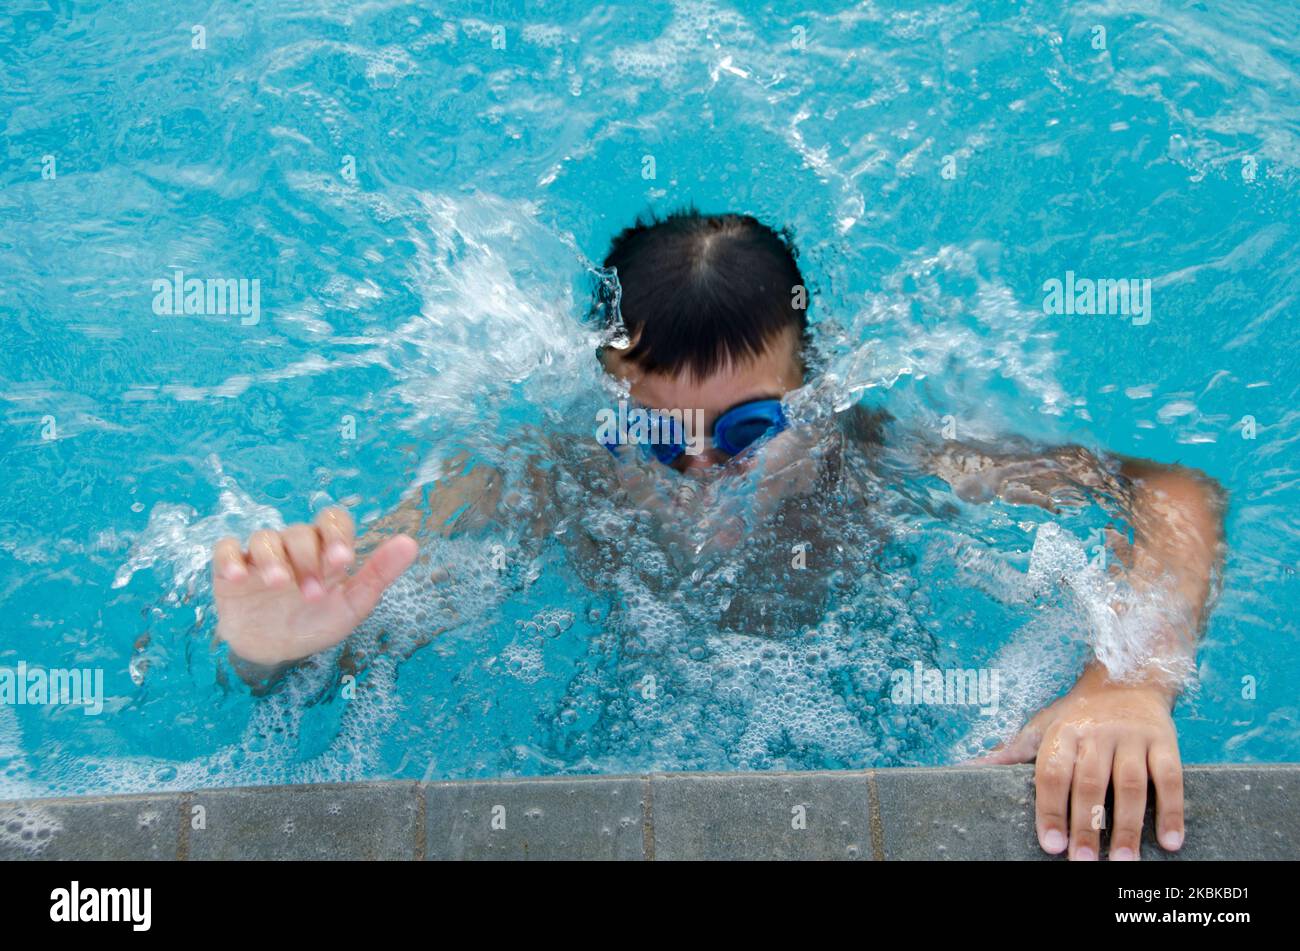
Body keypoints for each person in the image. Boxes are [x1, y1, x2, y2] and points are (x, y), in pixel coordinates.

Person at [210, 210, 1225, 861]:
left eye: (747, 430)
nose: (700, 468)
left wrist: (1126, 682)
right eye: (652, 431)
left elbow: (1170, 492)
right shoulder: (541, 474)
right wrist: (275, 643)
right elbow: (333, 639)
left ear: (816, 396)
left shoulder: (874, 456)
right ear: (602, 397)